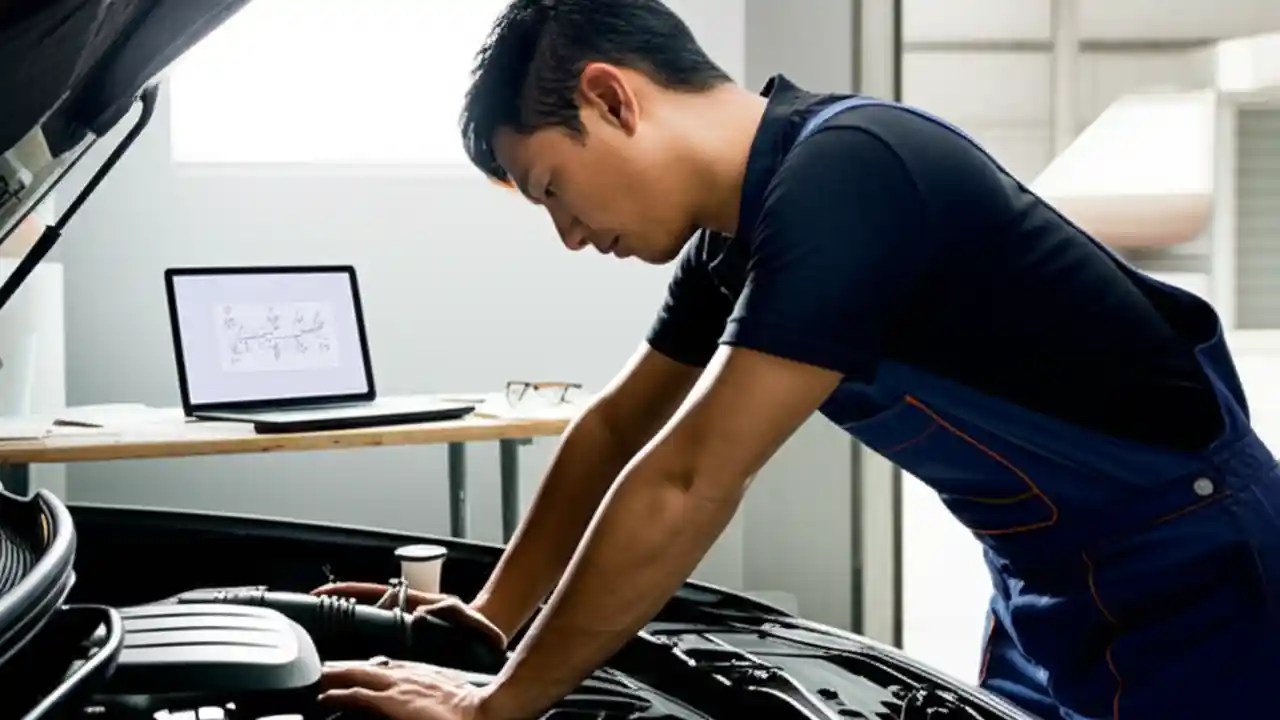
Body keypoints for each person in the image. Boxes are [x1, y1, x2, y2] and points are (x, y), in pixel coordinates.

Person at [315, 1, 1280, 718]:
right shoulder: (736, 238)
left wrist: (496, 708)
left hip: (1190, 577)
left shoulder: (851, 171)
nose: (569, 235)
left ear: (611, 99)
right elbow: (615, 431)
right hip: (1049, 581)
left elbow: (689, 479)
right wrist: (492, 617)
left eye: (554, 189)